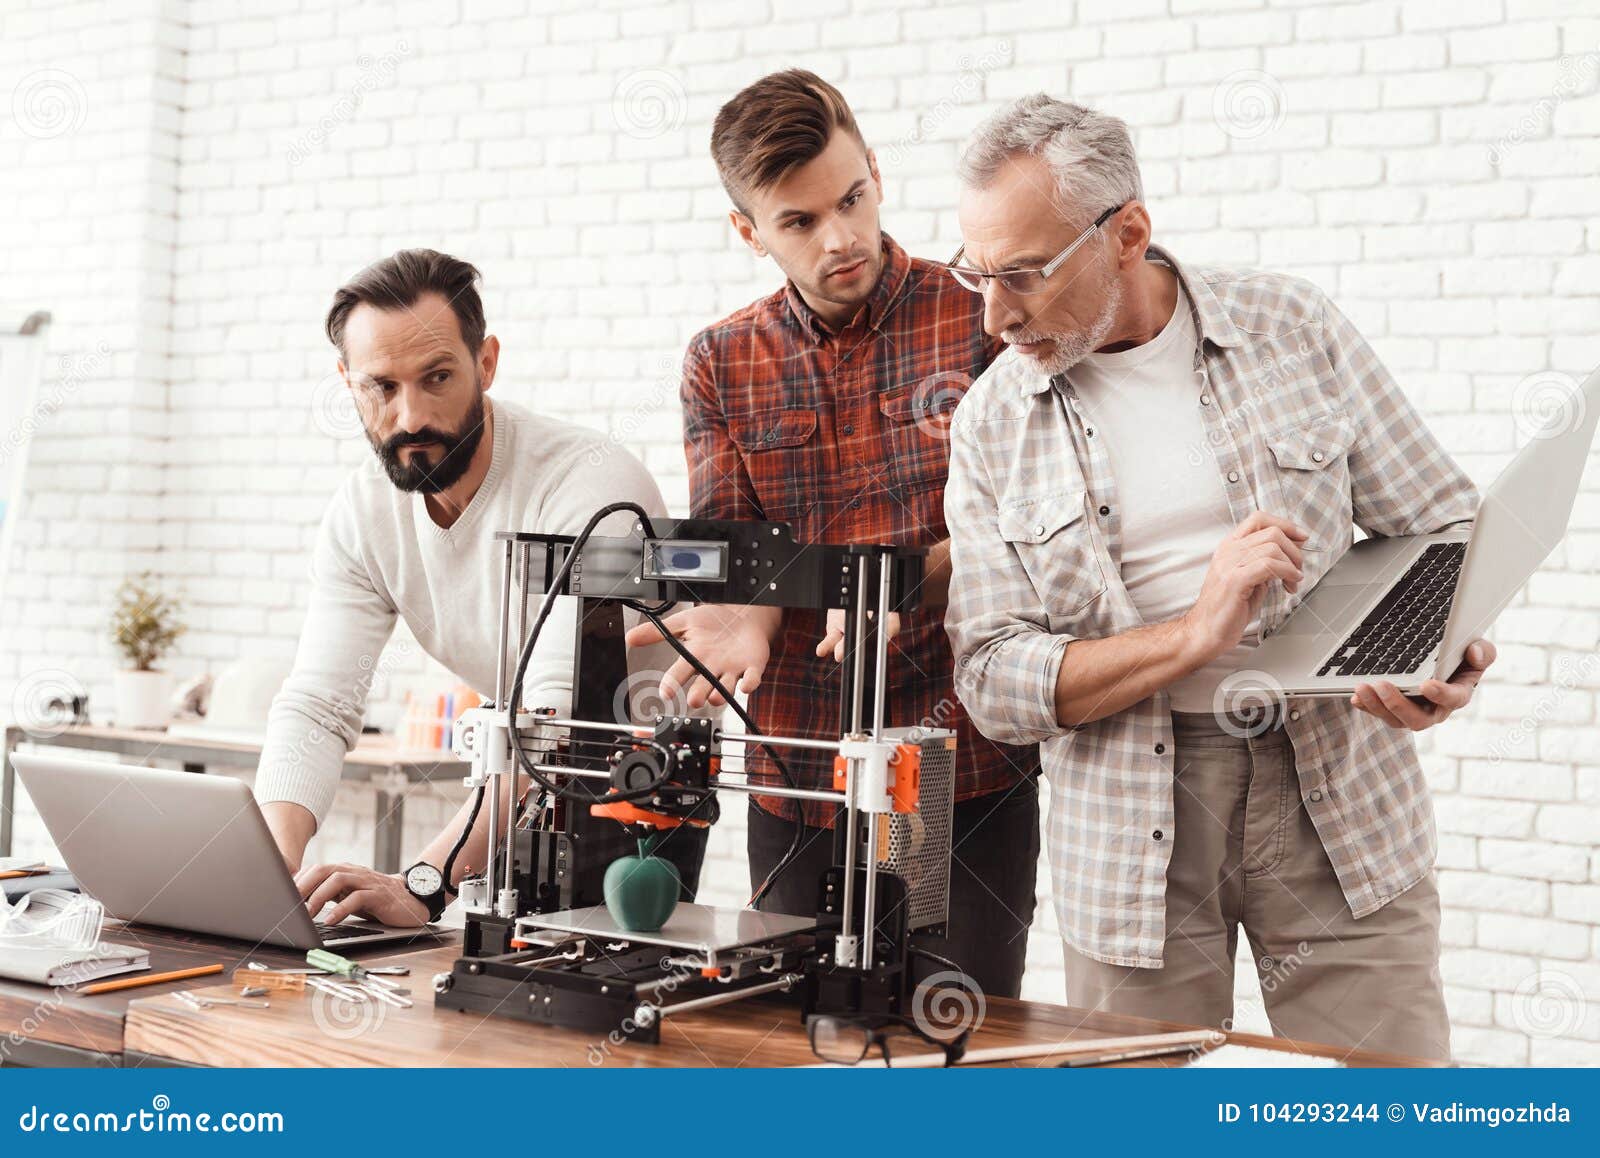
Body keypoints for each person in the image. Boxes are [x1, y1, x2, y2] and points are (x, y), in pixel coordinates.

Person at [943, 95, 1495, 1059]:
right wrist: (1190, 635)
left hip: (1341, 794)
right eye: (978, 275)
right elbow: (991, 679)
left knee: (1400, 1113)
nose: (995, 316)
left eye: (1023, 275)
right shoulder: (992, 421)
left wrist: (1438, 651)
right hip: (1126, 829)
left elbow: (1442, 522)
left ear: (1128, 234)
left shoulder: (1292, 325)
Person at [624, 70, 1042, 997]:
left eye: (851, 198)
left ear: (877, 172)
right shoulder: (721, 363)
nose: (841, 237)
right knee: (797, 1029)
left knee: (948, 1031)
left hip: (955, 767)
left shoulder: (979, 320)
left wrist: (901, 587)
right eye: (799, 221)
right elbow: (733, 552)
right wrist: (748, 613)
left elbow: (1029, 536)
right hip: (801, 771)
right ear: (750, 231)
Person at [256, 249, 705, 925]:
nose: (410, 417)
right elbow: (319, 706)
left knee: (578, 987)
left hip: (636, 766)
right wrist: (265, 871)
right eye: (382, 387)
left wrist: (424, 881)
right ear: (346, 383)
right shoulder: (362, 514)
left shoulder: (590, 485)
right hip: (522, 751)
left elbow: (552, 723)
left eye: (437, 377)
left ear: (485, 363)